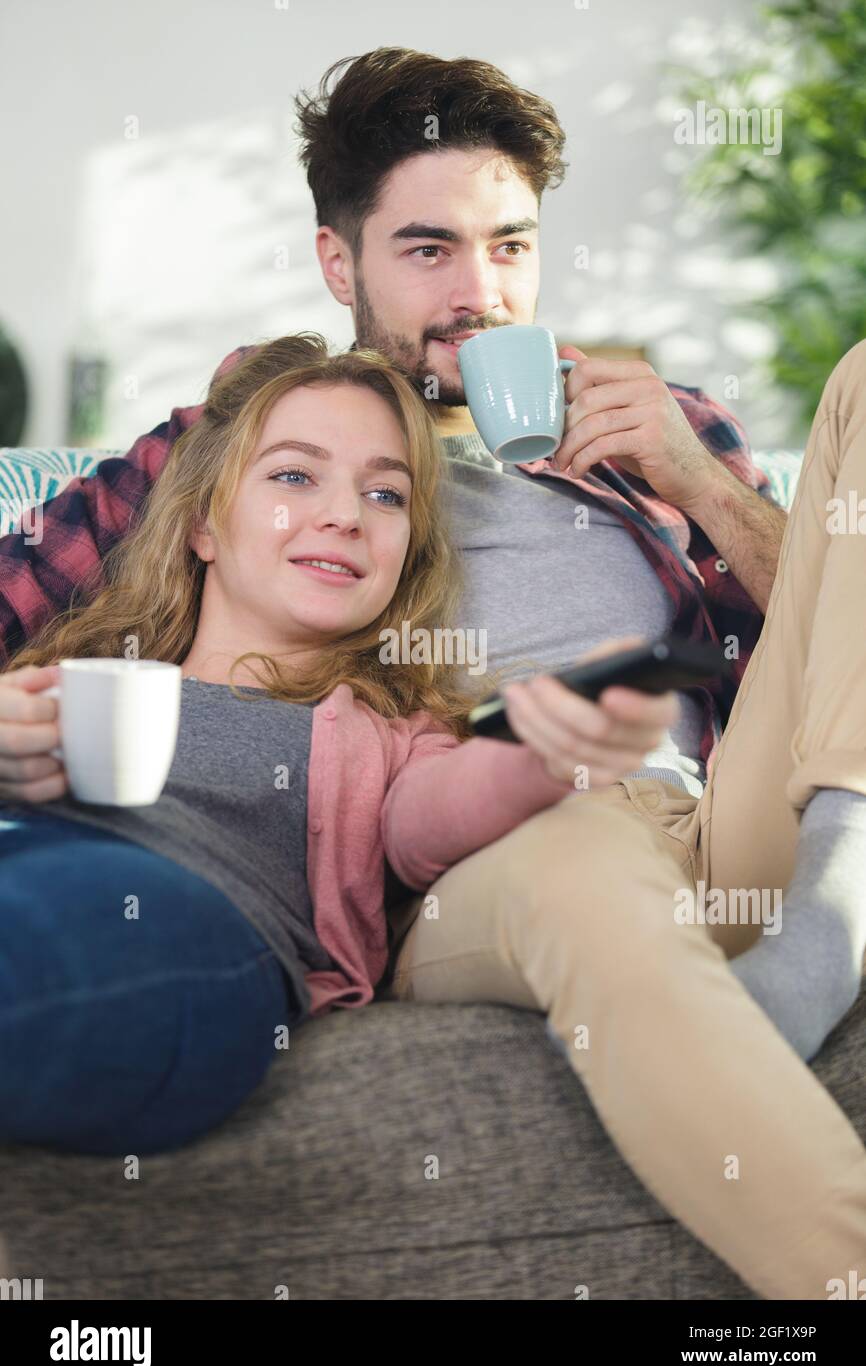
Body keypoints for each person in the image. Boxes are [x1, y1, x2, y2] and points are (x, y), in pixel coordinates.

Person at [1, 47, 864, 1298]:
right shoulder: (234, 443)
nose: (480, 295)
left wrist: (702, 486)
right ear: (337, 264)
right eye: (428, 251)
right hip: (509, 838)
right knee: (575, 860)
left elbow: (836, 634)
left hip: (737, 818)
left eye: (509, 247)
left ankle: (836, 897)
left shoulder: (661, 439)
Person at [0, 333, 673, 1160]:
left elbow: (428, 820)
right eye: (293, 475)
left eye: (386, 496)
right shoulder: (78, 671)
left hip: (181, 920)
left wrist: (540, 747)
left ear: (405, 557)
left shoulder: (382, 730)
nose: (346, 515)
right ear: (205, 521)